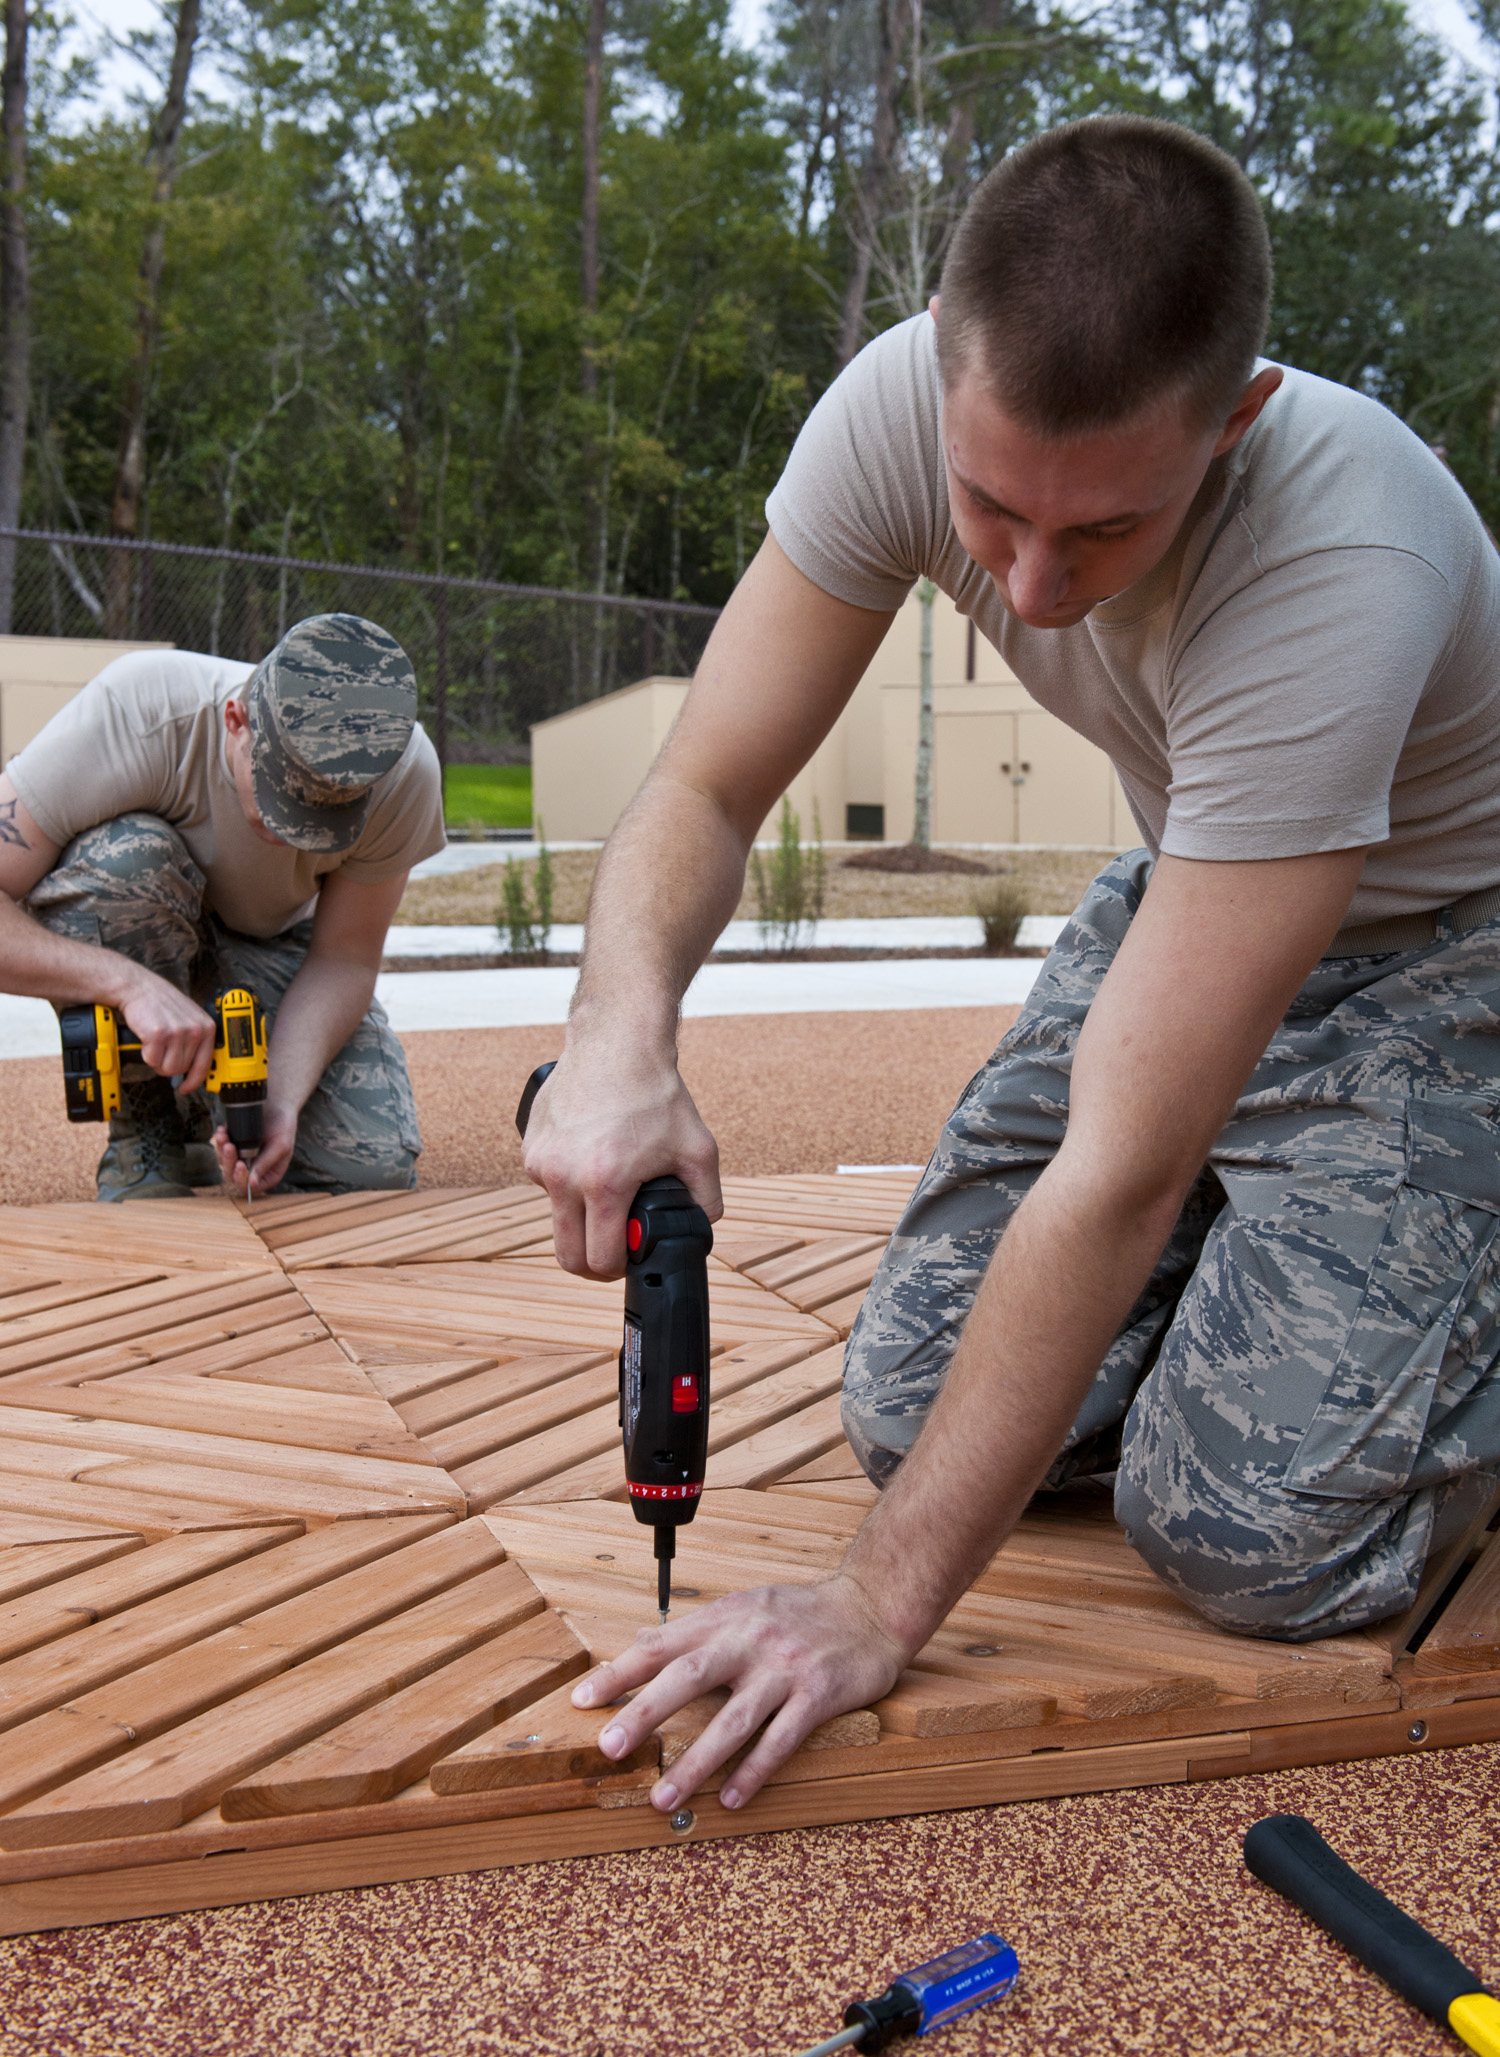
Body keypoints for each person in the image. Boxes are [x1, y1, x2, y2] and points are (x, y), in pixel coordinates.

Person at [521, 112, 1500, 1815]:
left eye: (1106, 530)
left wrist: (876, 1602)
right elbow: (702, 779)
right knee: (915, 1408)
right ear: (939, 382)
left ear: (1237, 421)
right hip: (1201, 884)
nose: (1034, 586)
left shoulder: (1343, 553)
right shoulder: (898, 404)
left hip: (1447, 959)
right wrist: (618, 1036)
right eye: (990, 508)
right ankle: (1341, 1283)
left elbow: (1122, 1168)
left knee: (1254, 1531)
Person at [0, 611, 444, 1199]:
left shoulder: (401, 772)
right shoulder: (141, 710)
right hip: (146, 926)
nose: (297, 833)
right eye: (283, 800)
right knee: (126, 859)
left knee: (371, 1169)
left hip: (271, 948)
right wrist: (126, 985)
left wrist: (279, 1096)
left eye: (325, 818)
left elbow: (345, 957)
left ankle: (220, 1110)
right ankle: (152, 1130)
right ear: (236, 722)